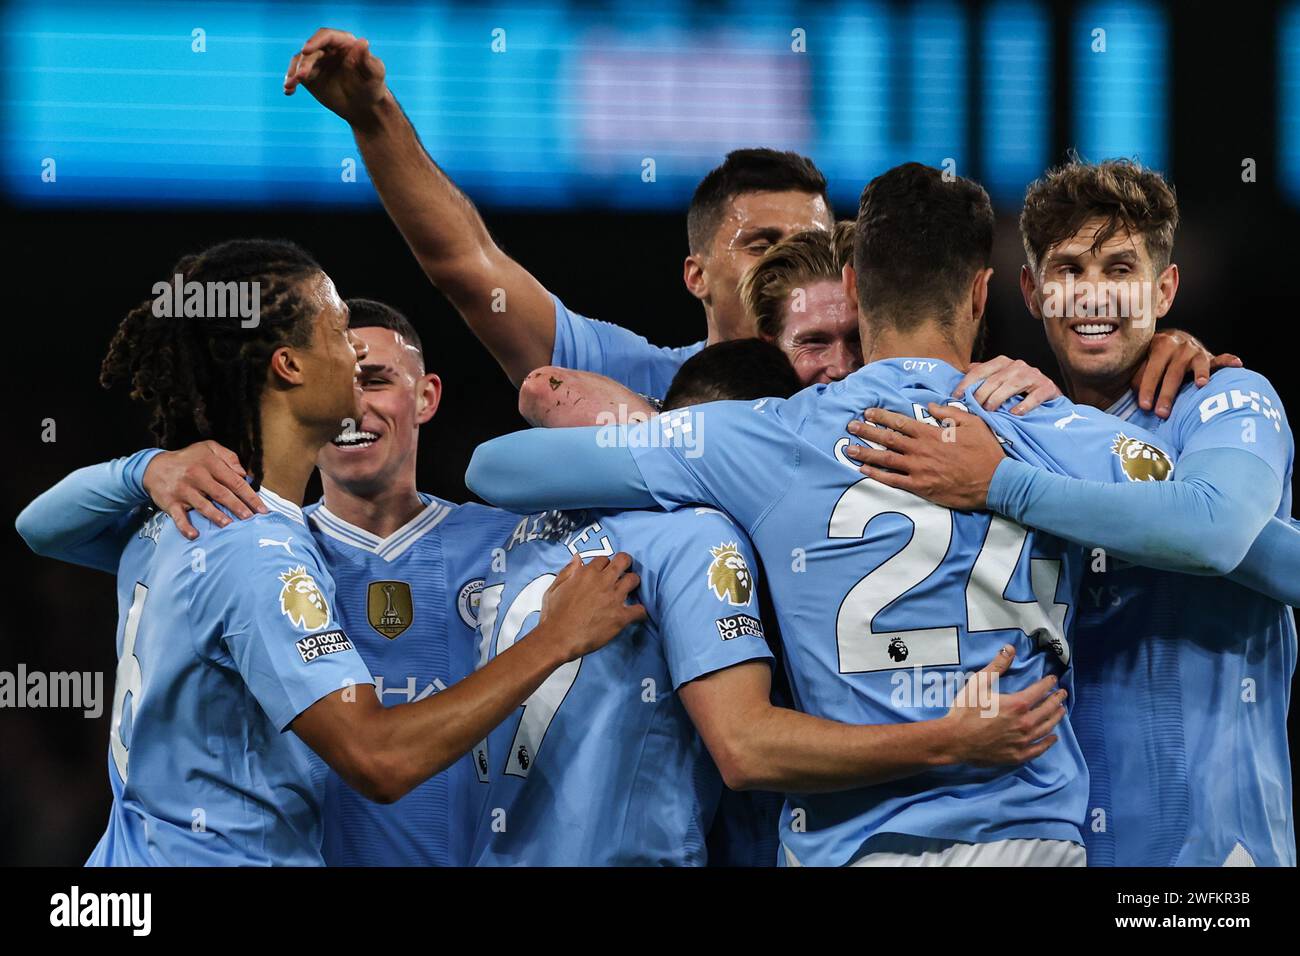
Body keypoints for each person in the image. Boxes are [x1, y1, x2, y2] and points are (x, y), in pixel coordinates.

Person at [465, 163, 1199, 865]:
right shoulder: (1056, 429)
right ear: (980, 294)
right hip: (1028, 832)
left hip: (849, 842)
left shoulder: (765, 437)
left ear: (852, 283)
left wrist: (659, 430)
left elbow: (494, 467)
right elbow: (1220, 528)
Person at [15, 240, 642, 865]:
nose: (356, 353)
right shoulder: (259, 552)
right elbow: (380, 759)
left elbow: (39, 526)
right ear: (290, 366)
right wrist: (555, 638)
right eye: (342, 334)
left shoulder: (179, 518)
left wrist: (142, 473)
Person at [844, 159, 1297, 866]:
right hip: (1064, 849)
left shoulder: (1221, 399)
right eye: (1068, 271)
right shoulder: (1013, 424)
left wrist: (1003, 485)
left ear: (1165, 288)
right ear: (1030, 291)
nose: (1095, 295)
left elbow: (1217, 532)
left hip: (1213, 863)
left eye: (1121, 269)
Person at [469, 339, 1066, 865]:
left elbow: (515, 426)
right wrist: (946, 740)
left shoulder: (537, 530)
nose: (836, 374)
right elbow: (745, 748)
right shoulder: (699, 534)